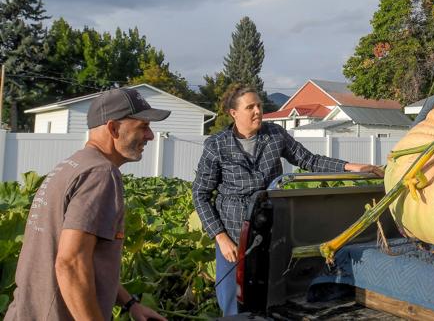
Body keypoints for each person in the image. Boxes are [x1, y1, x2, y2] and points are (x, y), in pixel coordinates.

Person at [192, 86, 384, 315]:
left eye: (259, 105)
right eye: (250, 107)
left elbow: (309, 160)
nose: (258, 111)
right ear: (234, 113)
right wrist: (220, 237)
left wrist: (352, 167)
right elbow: (200, 194)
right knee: (234, 303)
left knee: (273, 297)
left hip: (273, 228)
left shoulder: (274, 135)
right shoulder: (217, 145)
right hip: (234, 235)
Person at [5, 88, 170, 321]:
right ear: (113, 128)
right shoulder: (101, 174)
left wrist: (130, 303)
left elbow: (87, 258)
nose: (151, 136)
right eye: (143, 126)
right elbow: (70, 263)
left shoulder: (74, 165)